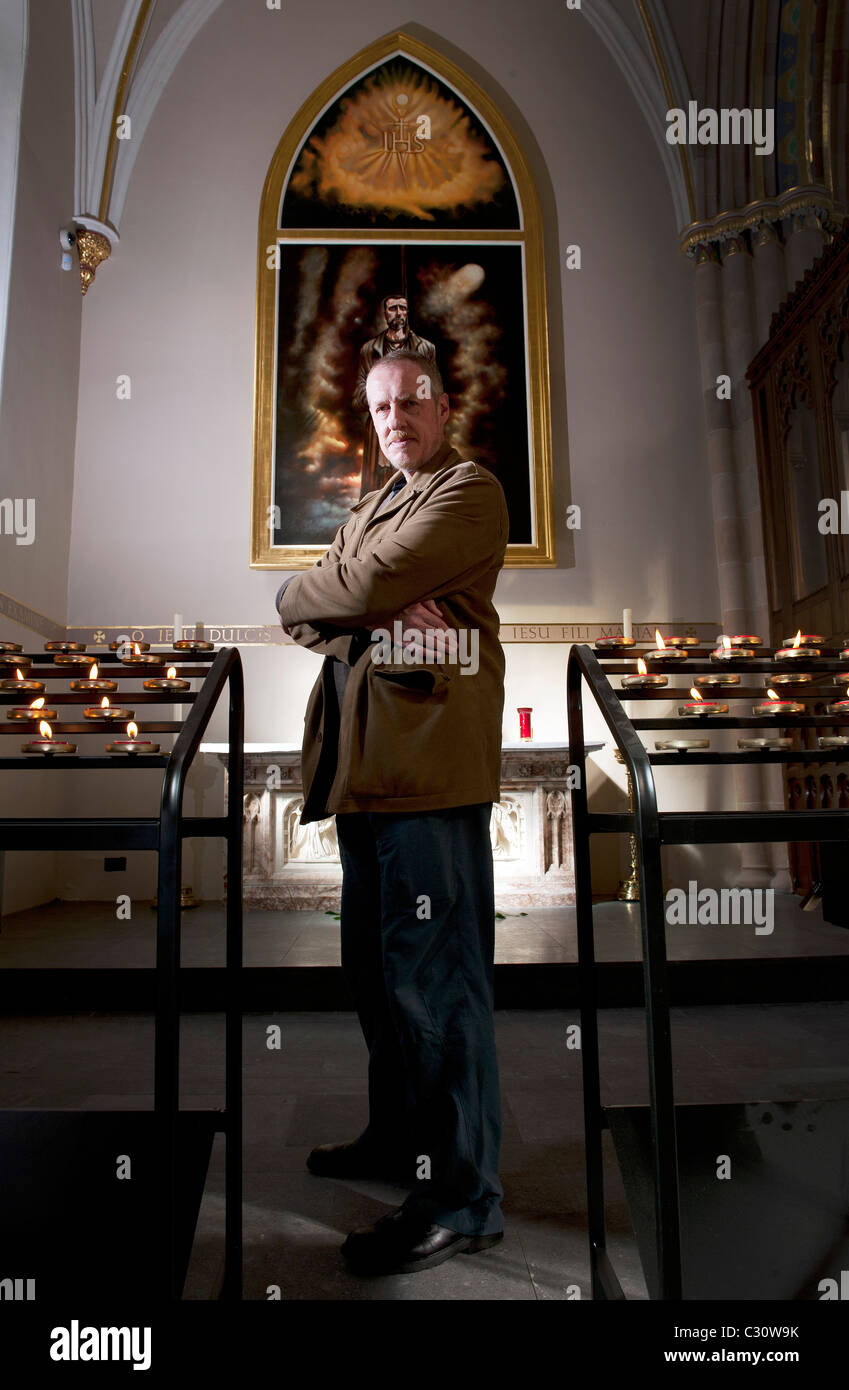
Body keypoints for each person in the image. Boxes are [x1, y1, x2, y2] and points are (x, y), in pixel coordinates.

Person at [276, 350, 509, 1275]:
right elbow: (300, 605)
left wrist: (357, 597)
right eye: (380, 405)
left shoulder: (470, 491)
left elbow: (351, 590)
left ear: (443, 406)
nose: (396, 415)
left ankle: (461, 1198)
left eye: (412, 398)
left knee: (436, 992)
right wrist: (357, 598)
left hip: (428, 776)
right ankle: (395, 1138)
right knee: (376, 980)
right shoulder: (372, 508)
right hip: (363, 776)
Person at [351, 295, 437, 499]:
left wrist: (407, 395)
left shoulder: (425, 348)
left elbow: (430, 391)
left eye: (402, 308)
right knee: (380, 486)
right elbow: (358, 396)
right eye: (392, 309)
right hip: (380, 431)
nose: (398, 313)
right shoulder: (369, 350)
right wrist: (382, 393)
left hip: (416, 422)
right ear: (385, 313)